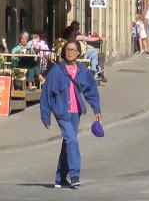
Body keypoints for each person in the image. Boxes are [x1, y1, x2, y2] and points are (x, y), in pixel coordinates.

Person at [38, 38, 103, 190]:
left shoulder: (82, 70)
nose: (70, 52)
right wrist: (45, 116)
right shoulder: (57, 70)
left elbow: (91, 90)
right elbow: (46, 93)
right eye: (67, 50)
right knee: (72, 141)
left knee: (67, 143)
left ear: (78, 52)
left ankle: (60, 178)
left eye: (73, 50)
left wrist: (97, 109)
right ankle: (74, 175)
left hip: (76, 112)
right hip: (61, 111)